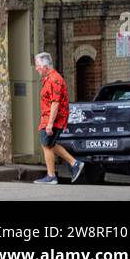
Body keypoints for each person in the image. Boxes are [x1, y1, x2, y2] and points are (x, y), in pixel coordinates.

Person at [35, 52, 85, 184]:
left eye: (38, 65)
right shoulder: (49, 78)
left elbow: (55, 103)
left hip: (54, 118)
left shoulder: (54, 79)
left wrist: (50, 123)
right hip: (48, 117)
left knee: (46, 145)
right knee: (49, 144)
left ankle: (52, 176)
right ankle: (74, 163)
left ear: (45, 66)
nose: (36, 68)